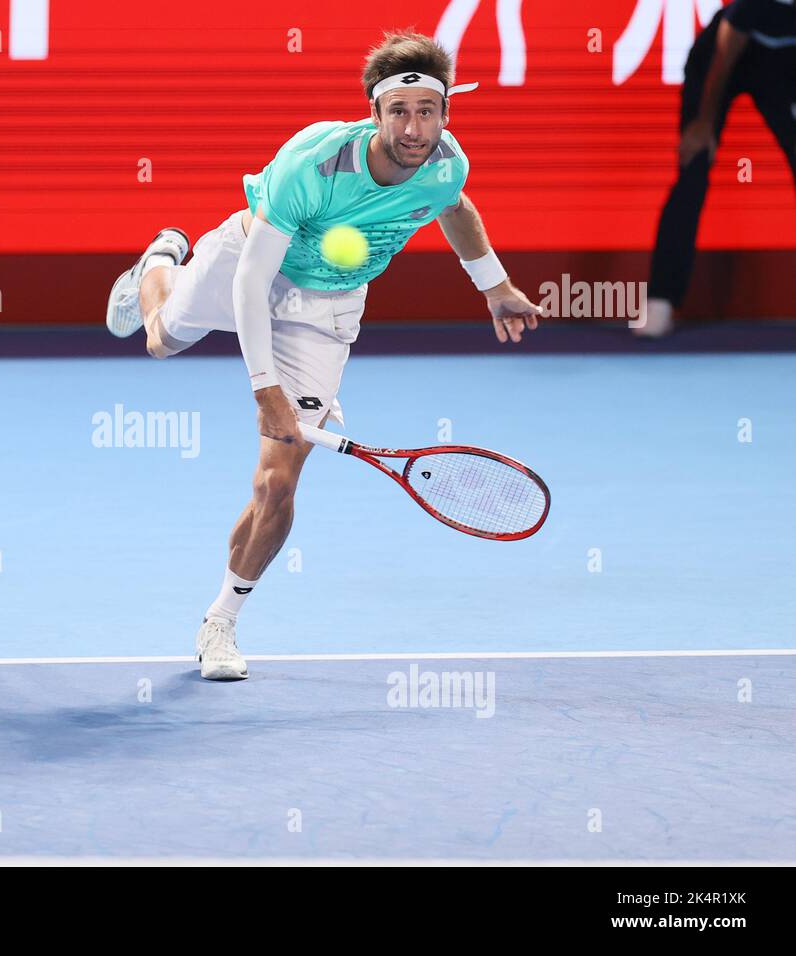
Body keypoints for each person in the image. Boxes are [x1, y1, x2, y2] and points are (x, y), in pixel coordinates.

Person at [105, 30, 541, 680]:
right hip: (249, 263)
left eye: (428, 112)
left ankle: (220, 620)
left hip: (326, 309)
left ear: (445, 115)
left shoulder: (448, 162)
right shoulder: (312, 162)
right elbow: (253, 284)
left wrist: (496, 285)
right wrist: (265, 388)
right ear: (376, 114)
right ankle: (162, 259)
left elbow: (454, 207)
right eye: (400, 112)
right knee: (161, 340)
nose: (414, 127)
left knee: (275, 482)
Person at [638, 0, 796, 337]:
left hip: (783, 68)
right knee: (695, 164)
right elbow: (725, 53)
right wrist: (704, 121)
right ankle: (661, 299)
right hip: (721, 60)